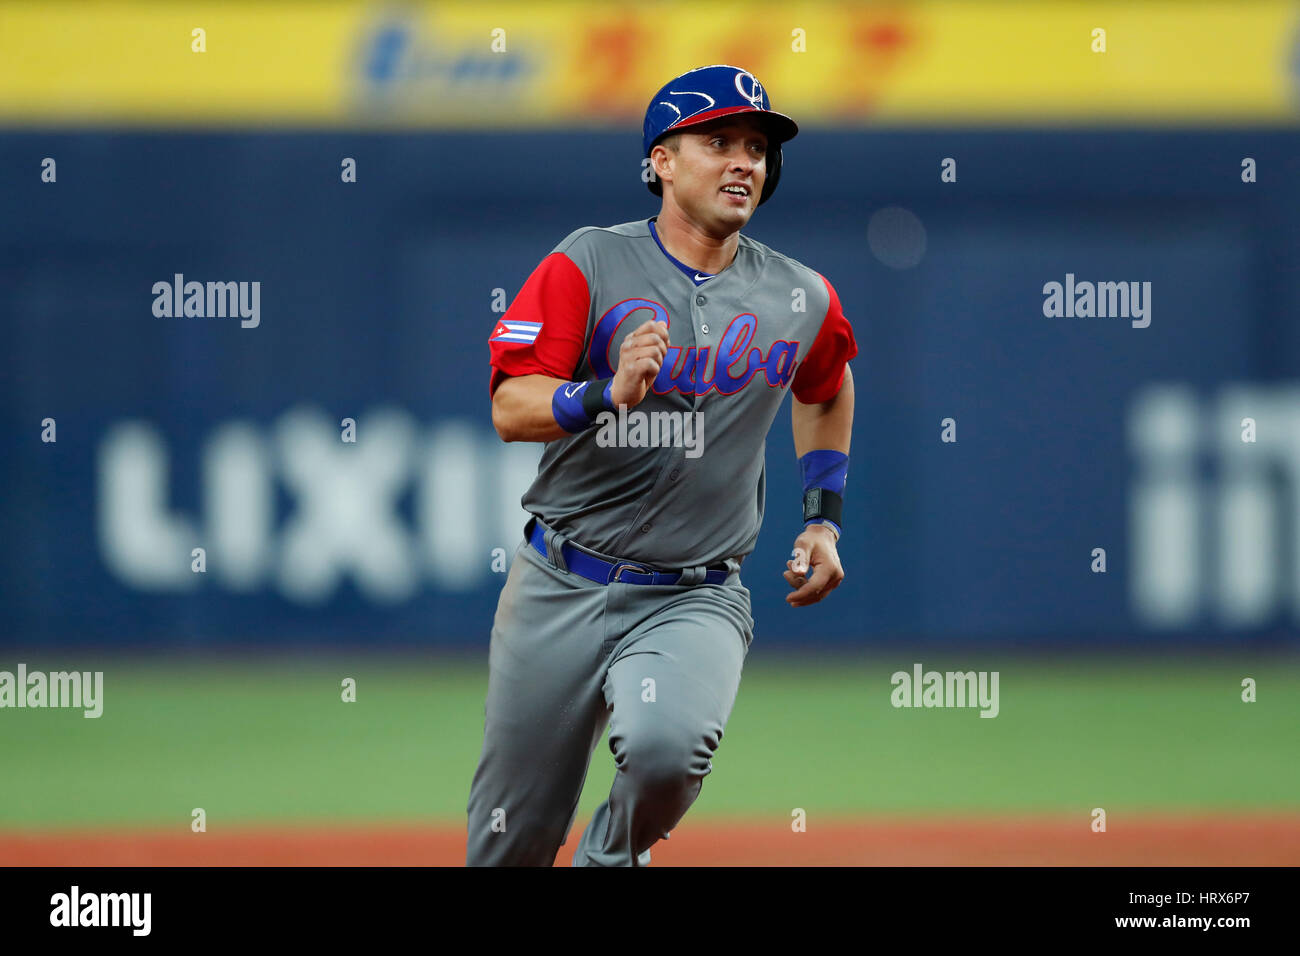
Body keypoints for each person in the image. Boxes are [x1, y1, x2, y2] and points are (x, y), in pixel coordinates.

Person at [466, 64, 857, 866]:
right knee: (512, 839)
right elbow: (512, 407)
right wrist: (601, 394)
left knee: (666, 749)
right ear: (662, 161)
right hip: (560, 584)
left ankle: (611, 858)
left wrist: (822, 519)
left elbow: (827, 383)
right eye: (718, 141)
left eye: (757, 145)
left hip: (695, 592)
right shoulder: (588, 262)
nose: (745, 161)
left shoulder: (800, 294)